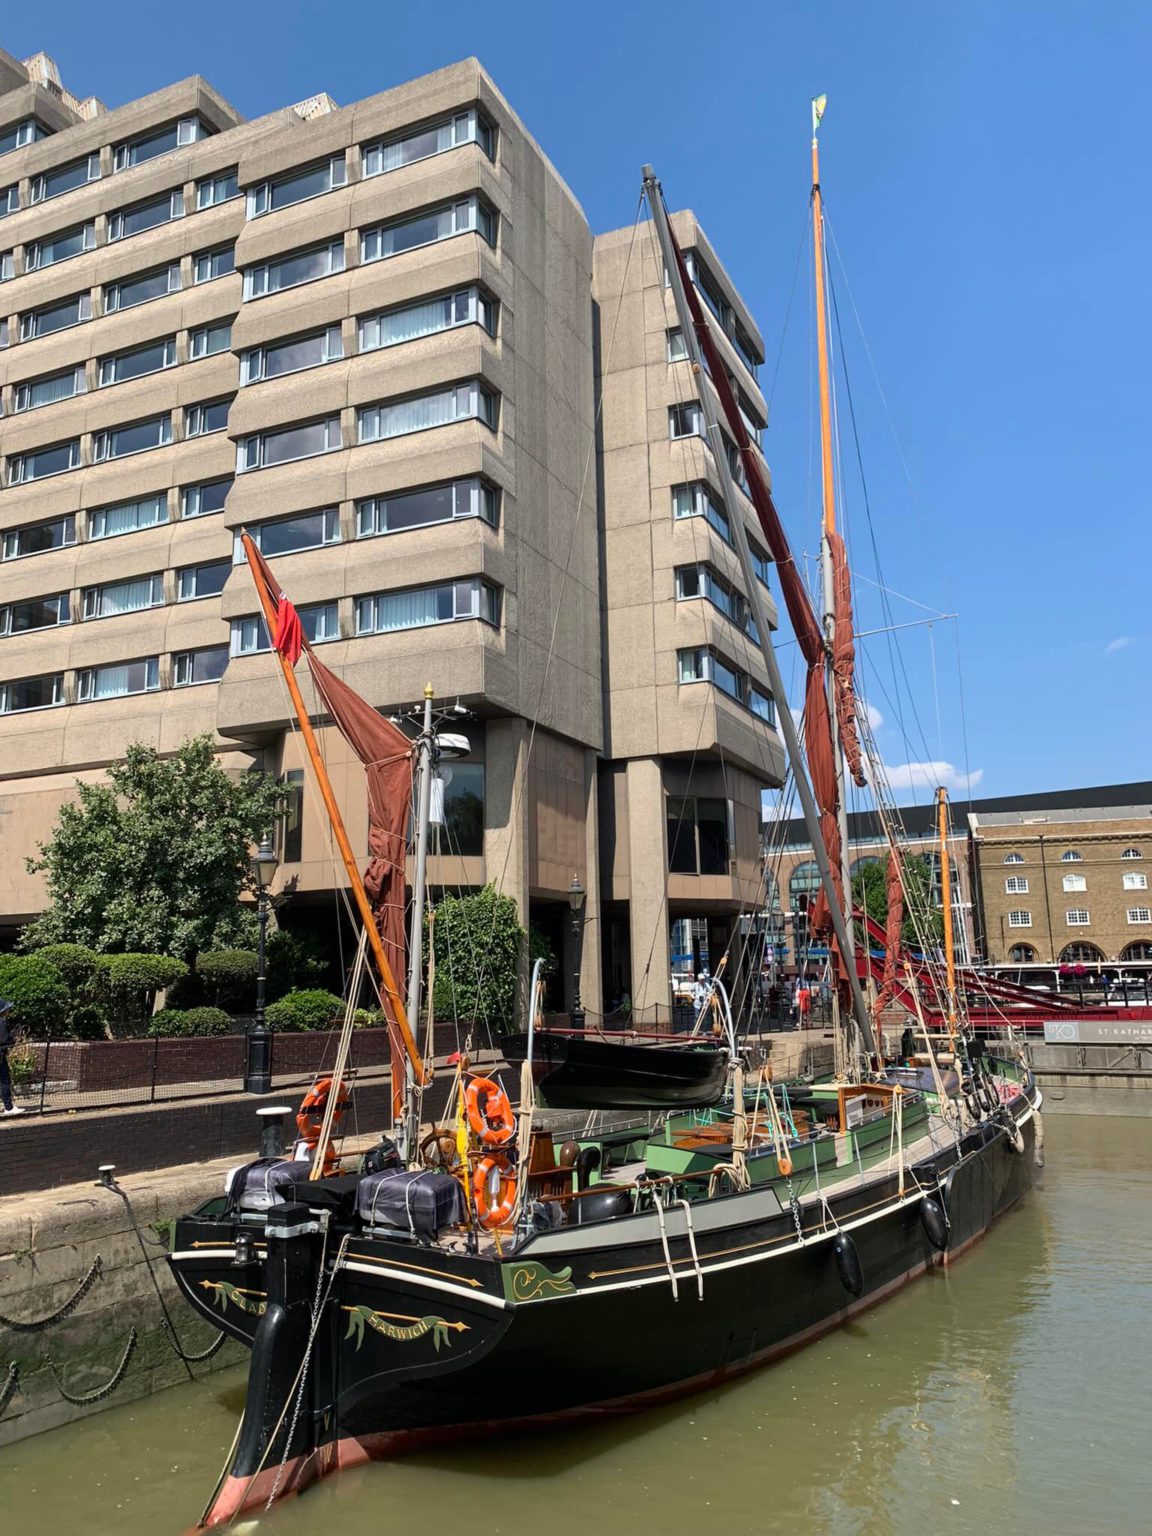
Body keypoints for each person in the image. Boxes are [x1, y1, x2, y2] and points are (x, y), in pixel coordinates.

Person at [0, 999, 25, 1116]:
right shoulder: (2, 1023)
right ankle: (9, 1108)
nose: (9, 1010)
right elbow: (5, 1042)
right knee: (5, 1081)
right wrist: (14, 1037)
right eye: (7, 1008)